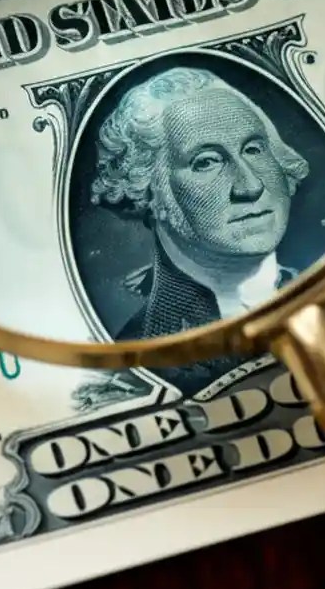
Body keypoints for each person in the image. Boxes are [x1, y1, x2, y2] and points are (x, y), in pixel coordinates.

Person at [90, 67, 310, 392]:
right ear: (149, 189)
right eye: (206, 162)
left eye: (254, 149)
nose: (250, 186)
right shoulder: (133, 371)